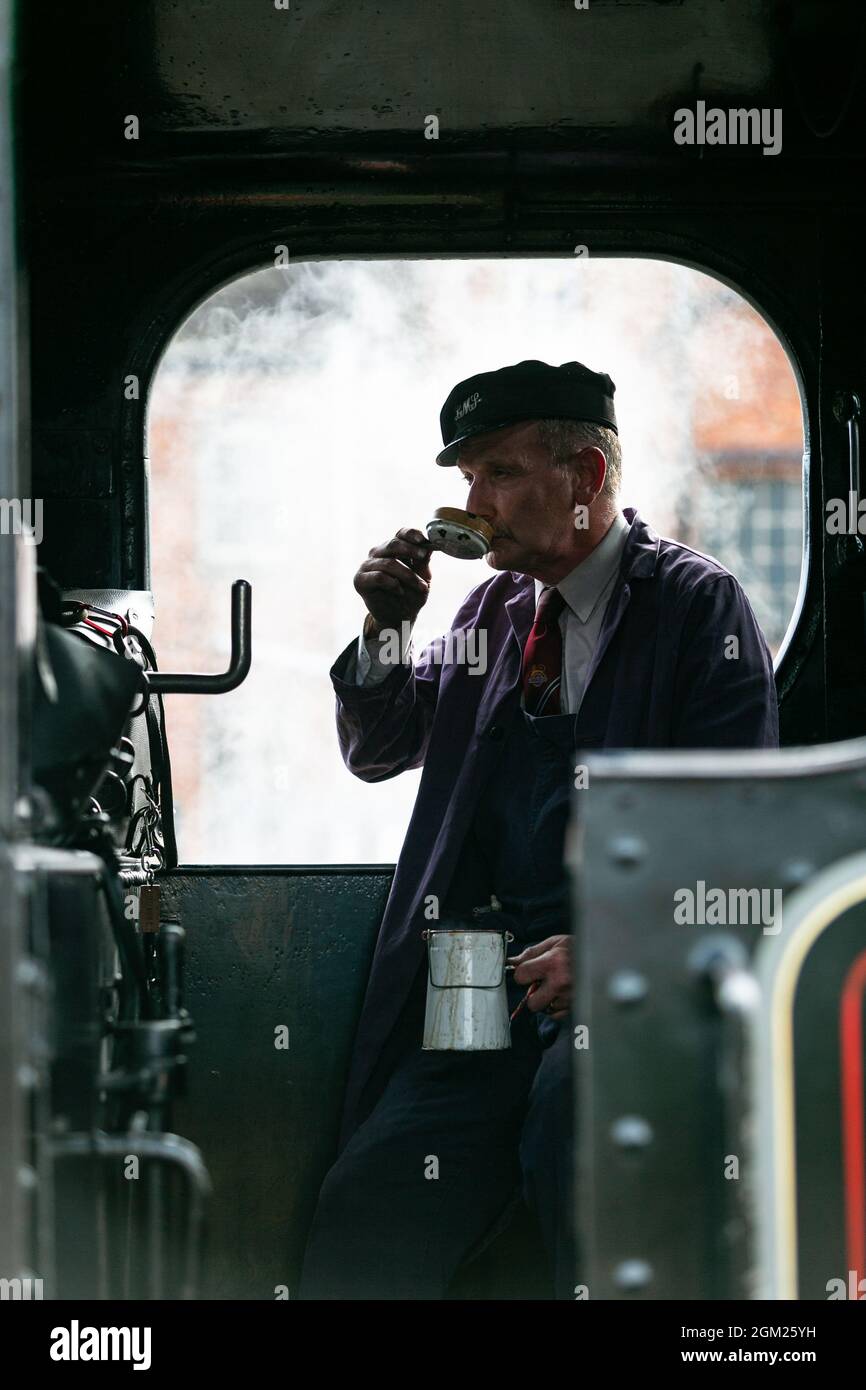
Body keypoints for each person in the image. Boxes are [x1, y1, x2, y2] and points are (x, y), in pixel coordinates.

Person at [298, 359, 779, 1300]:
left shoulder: (694, 607)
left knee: (576, 1149)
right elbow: (381, 748)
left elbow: (741, 840)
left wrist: (606, 951)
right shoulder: (492, 609)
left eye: (501, 473)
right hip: (484, 996)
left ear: (588, 479)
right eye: (467, 479)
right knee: (369, 1201)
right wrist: (386, 627)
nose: (475, 501)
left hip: (632, 997)